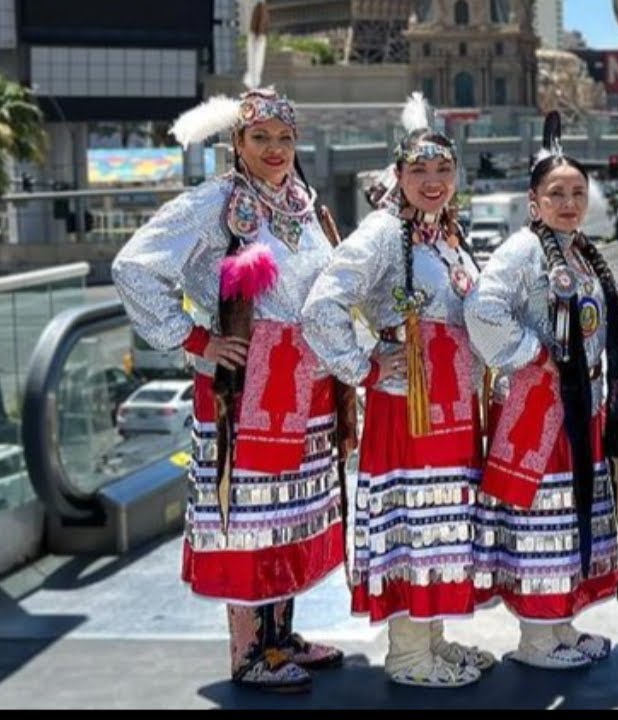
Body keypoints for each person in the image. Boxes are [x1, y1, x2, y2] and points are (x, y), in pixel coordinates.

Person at [112, 88, 350, 693]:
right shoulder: (216, 202)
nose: (275, 150)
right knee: (246, 513)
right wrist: (196, 340)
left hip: (309, 383)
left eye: (284, 138)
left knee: (291, 513)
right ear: (237, 144)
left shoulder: (305, 203)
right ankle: (247, 652)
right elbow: (134, 266)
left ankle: (281, 637)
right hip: (246, 386)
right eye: (261, 137)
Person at [300, 93, 494, 689]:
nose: (432, 181)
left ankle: (432, 638)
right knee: (415, 519)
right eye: (419, 171)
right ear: (398, 176)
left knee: (444, 520)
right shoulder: (385, 233)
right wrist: (363, 365)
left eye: (443, 170)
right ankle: (409, 656)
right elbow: (321, 307)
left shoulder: (444, 237)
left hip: (454, 410)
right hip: (408, 412)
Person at [464, 112, 618, 670]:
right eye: (555, 193)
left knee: (573, 515)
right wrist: (531, 356)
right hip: (539, 411)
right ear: (533, 201)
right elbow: (482, 307)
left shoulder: (580, 253)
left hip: (579, 409)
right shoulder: (522, 250)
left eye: (577, 192)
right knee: (543, 519)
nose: (568, 202)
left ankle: (562, 623)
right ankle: (536, 637)